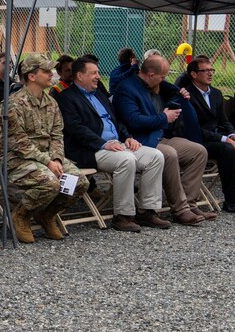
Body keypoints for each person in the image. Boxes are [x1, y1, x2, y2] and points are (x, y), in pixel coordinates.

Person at [55, 58, 166, 233]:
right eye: (94, 73)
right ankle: (122, 216)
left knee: (155, 156)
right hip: (90, 149)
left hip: (117, 145)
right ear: (80, 76)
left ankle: (147, 211)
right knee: (126, 159)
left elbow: (117, 120)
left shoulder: (100, 95)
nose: (98, 76)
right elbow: (75, 129)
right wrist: (103, 144)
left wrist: (127, 137)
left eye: (98, 73)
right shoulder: (66, 98)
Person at [112, 54, 208, 226]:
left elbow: (172, 93)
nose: (164, 80)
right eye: (162, 77)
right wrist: (164, 117)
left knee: (198, 151)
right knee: (169, 154)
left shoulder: (158, 86)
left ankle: (189, 203)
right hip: (141, 141)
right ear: (151, 75)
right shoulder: (126, 89)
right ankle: (180, 210)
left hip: (160, 136)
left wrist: (180, 94)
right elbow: (133, 121)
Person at [6, 54, 90, 242]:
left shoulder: (51, 103)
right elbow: (18, 142)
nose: (51, 74)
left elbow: (57, 135)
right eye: (46, 71)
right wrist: (48, 162)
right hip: (19, 160)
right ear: (31, 76)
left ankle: (46, 214)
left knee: (79, 182)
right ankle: (21, 215)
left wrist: (57, 159)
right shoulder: (13, 104)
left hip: (48, 158)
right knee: (51, 183)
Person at [184, 58, 235, 214]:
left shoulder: (216, 93)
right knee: (227, 149)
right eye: (205, 71)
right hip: (199, 142)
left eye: (212, 70)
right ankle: (231, 200)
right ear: (194, 74)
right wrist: (225, 139)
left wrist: (233, 135)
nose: (210, 73)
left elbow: (224, 120)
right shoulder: (187, 95)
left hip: (220, 139)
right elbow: (194, 129)